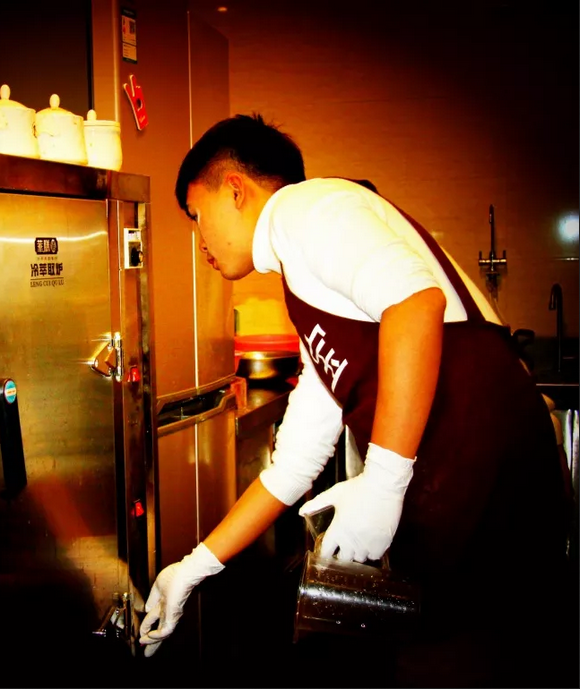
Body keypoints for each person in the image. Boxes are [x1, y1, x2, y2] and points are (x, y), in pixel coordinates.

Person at [138, 113, 574, 686]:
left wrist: (383, 483)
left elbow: (416, 303)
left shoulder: (302, 210)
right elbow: (293, 465)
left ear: (235, 190)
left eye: (198, 216)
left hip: (487, 490)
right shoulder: (310, 285)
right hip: (459, 499)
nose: (201, 242)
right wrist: (194, 567)